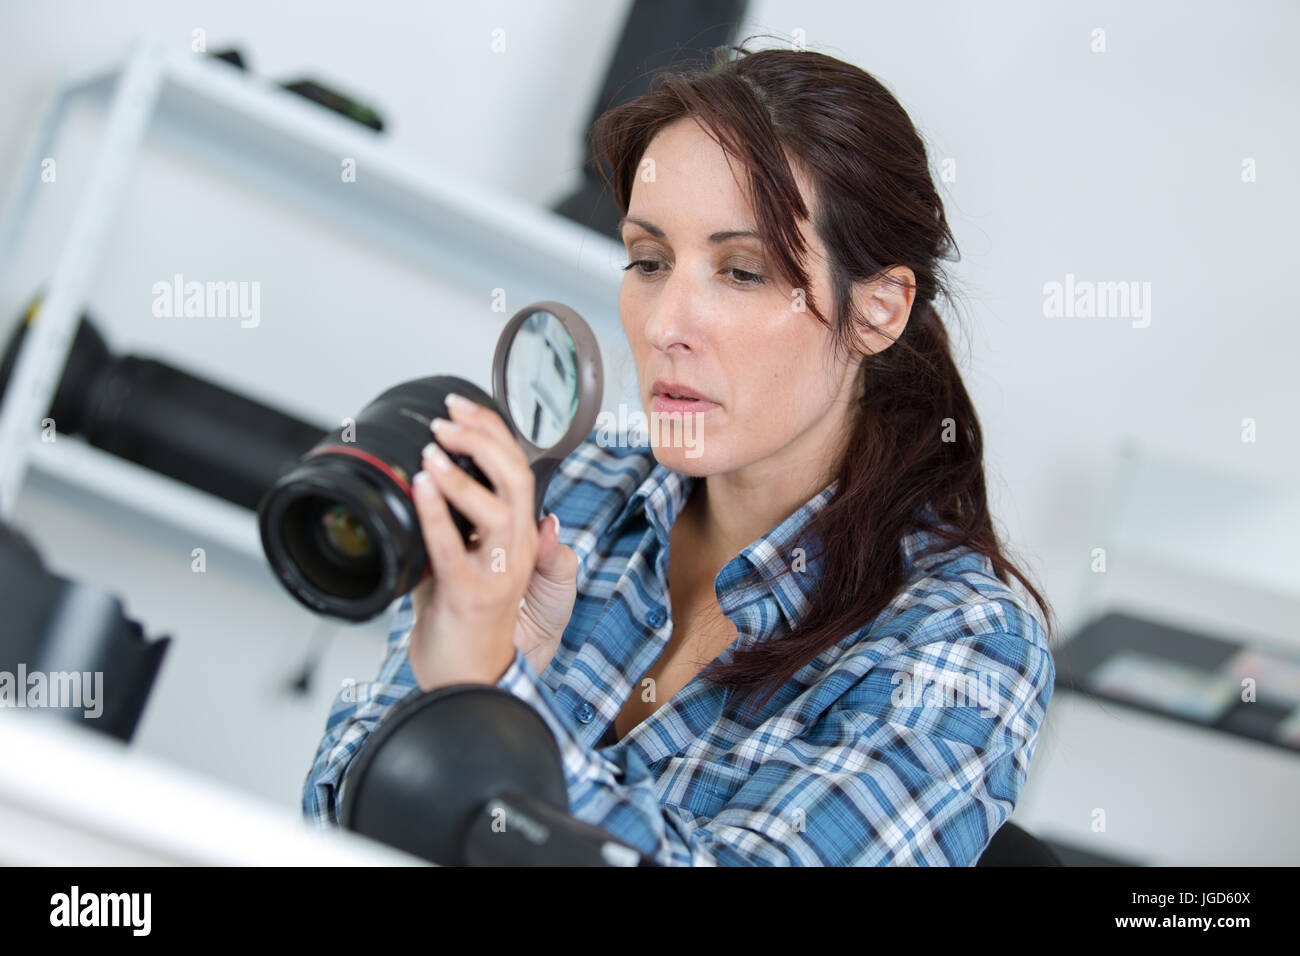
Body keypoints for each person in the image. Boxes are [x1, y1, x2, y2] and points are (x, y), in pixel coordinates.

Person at [303, 42, 1056, 866]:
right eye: (650, 262)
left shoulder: (961, 643)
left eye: (741, 272)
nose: (664, 325)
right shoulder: (579, 488)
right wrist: (474, 657)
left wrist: (490, 697)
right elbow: (329, 802)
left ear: (876, 310)